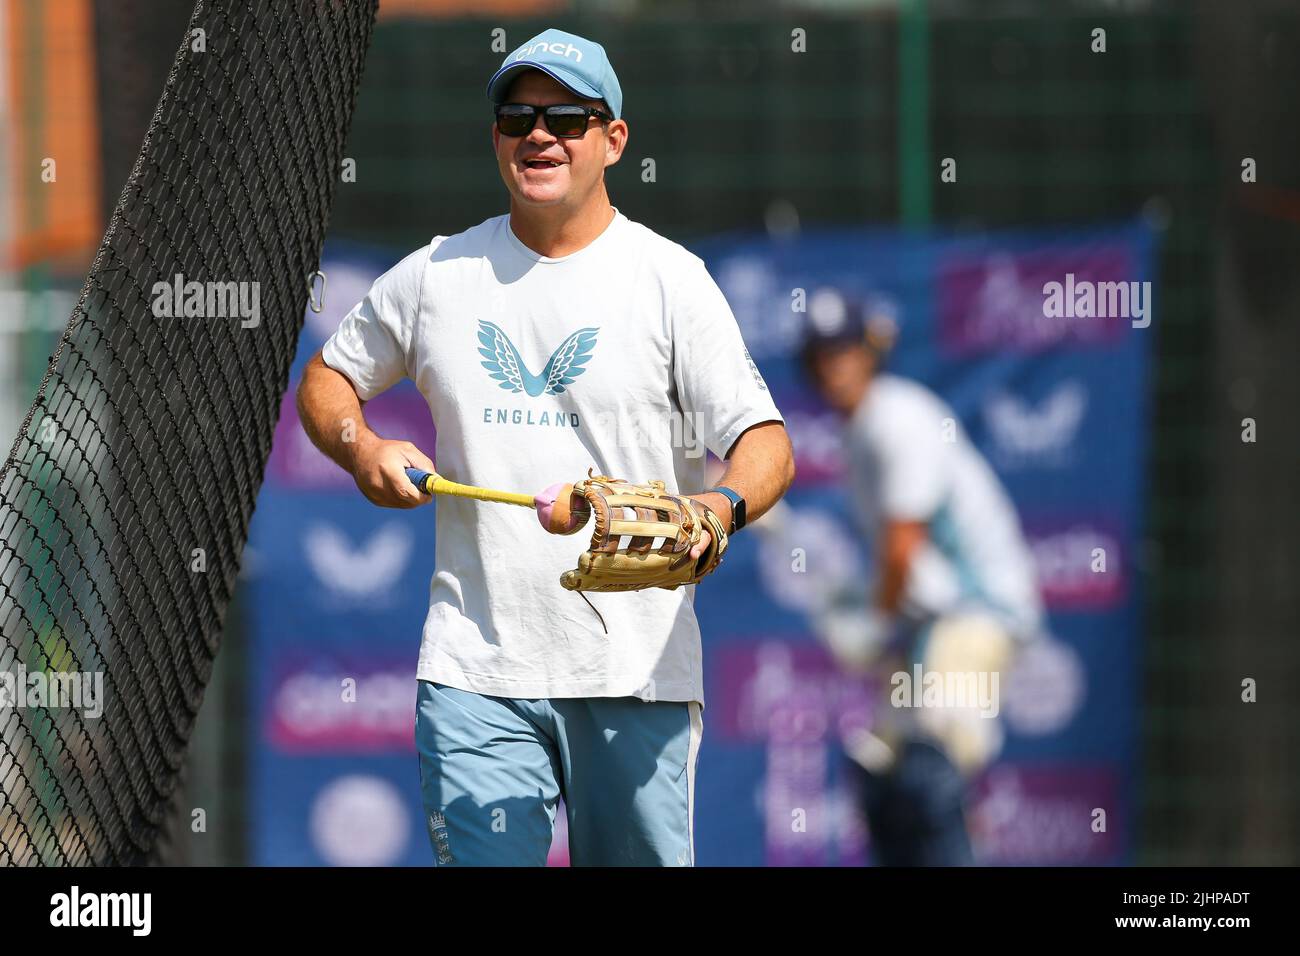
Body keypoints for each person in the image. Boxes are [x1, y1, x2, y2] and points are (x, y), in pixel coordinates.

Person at [295, 28, 794, 866]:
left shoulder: (669, 280)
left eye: (567, 116)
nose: (539, 134)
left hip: (635, 673)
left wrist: (719, 506)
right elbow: (327, 381)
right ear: (495, 134)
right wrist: (360, 446)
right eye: (517, 115)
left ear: (613, 140)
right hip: (475, 670)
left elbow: (765, 443)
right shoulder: (436, 275)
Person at [797, 287, 1043, 865]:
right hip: (930, 625)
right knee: (884, 776)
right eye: (823, 356)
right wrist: (872, 616)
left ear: (871, 352)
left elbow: (904, 549)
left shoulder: (897, 417)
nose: (836, 368)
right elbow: (895, 562)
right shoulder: (859, 432)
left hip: (977, 615)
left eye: (847, 351)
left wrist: (874, 628)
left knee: (932, 772)